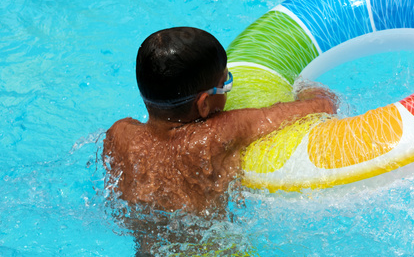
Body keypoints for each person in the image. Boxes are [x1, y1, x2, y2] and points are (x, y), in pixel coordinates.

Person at [103, 26, 337, 213]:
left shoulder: (119, 134)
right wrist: (308, 88)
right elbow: (323, 106)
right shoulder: (222, 132)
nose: (229, 89)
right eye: (226, 82)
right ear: (204, 104)